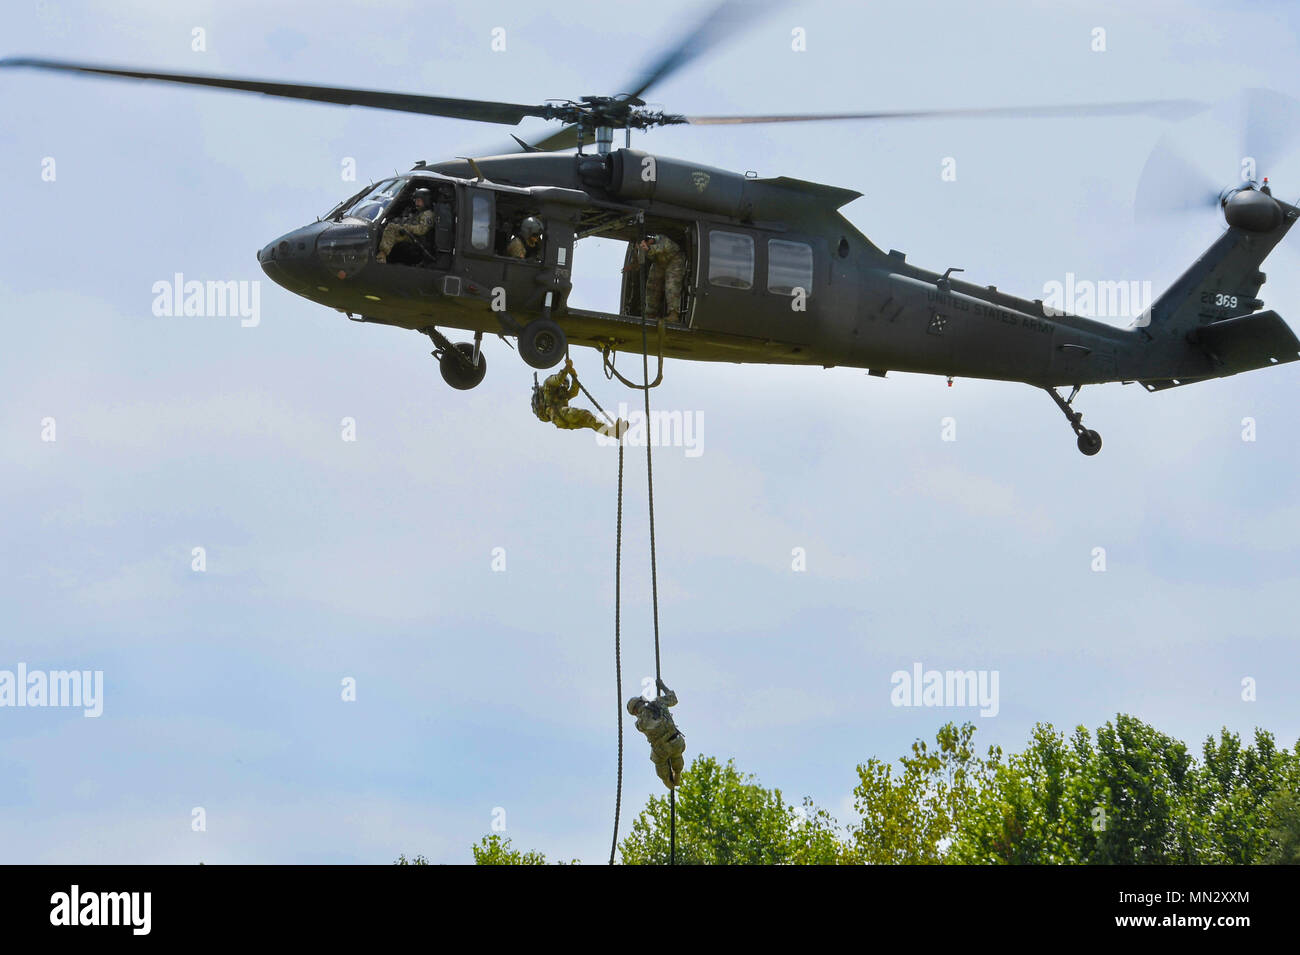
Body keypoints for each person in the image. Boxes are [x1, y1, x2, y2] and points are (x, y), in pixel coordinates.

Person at [531, 358, 626, 437]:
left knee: (590, 421)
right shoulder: (548, 385)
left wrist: (574, 376)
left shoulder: (562, 393)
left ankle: (613, 432)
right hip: (559, 414)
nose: (565, 387)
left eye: (566, 385)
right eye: (564, 384)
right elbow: (557, 379)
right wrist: (566, 369)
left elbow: (574, 392)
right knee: (586, 415)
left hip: (563, 421)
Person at [627, 679, 686, 789]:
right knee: (677, 755)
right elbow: (674, 699)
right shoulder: (658, 702)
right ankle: (677, 774)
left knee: (661, 767)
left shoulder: (639, 724)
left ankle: (669, 782)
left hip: (661, 750)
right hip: (676, 741)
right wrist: (662, 686)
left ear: (634, 712)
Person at [625, 234, 686, 322]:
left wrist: (648, 249)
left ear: (649, 241)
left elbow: (662, 248)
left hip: (674, 259)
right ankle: (650, 314)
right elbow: (638, 258)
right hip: (659, 261)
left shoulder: (661, 239)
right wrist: (633, 264)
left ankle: (674, 314)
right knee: (652, 286)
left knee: (672, 286)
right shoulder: (643, 247)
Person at [376, 188, 435, 262]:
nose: (416, 203)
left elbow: (422, 230)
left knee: (391, 227)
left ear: (426, 201)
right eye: (415, 201)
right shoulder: (419, 213)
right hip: (412, 237)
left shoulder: (428, 214)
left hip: (417, 240)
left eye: (419, 201)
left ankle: (382, 255)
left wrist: (407, 227)